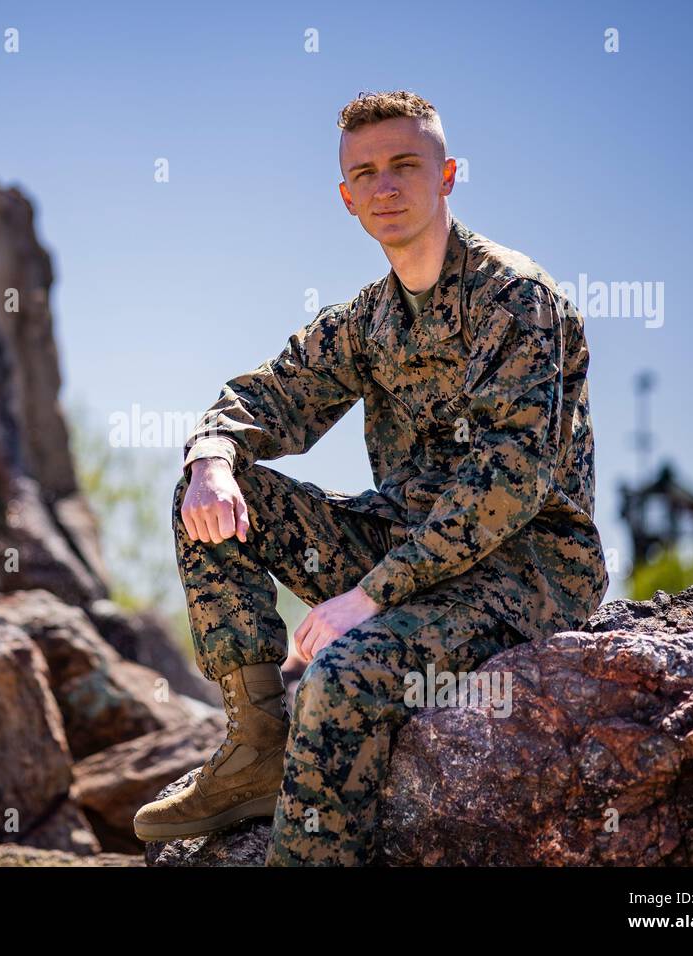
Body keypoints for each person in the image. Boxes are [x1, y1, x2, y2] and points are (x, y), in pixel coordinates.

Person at [132, 89, 609, 865]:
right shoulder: (367, 320)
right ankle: (255, 750)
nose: (385, 186)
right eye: (366, 172)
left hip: (526, 568)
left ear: (447, 175)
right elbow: (262, 396)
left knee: (342, 676)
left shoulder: (517, 299)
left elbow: (508, 482)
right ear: (345, 197)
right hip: (406, 548)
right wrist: (212, 457)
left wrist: (370, 597)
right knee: (217, 498)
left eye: (404, 165)